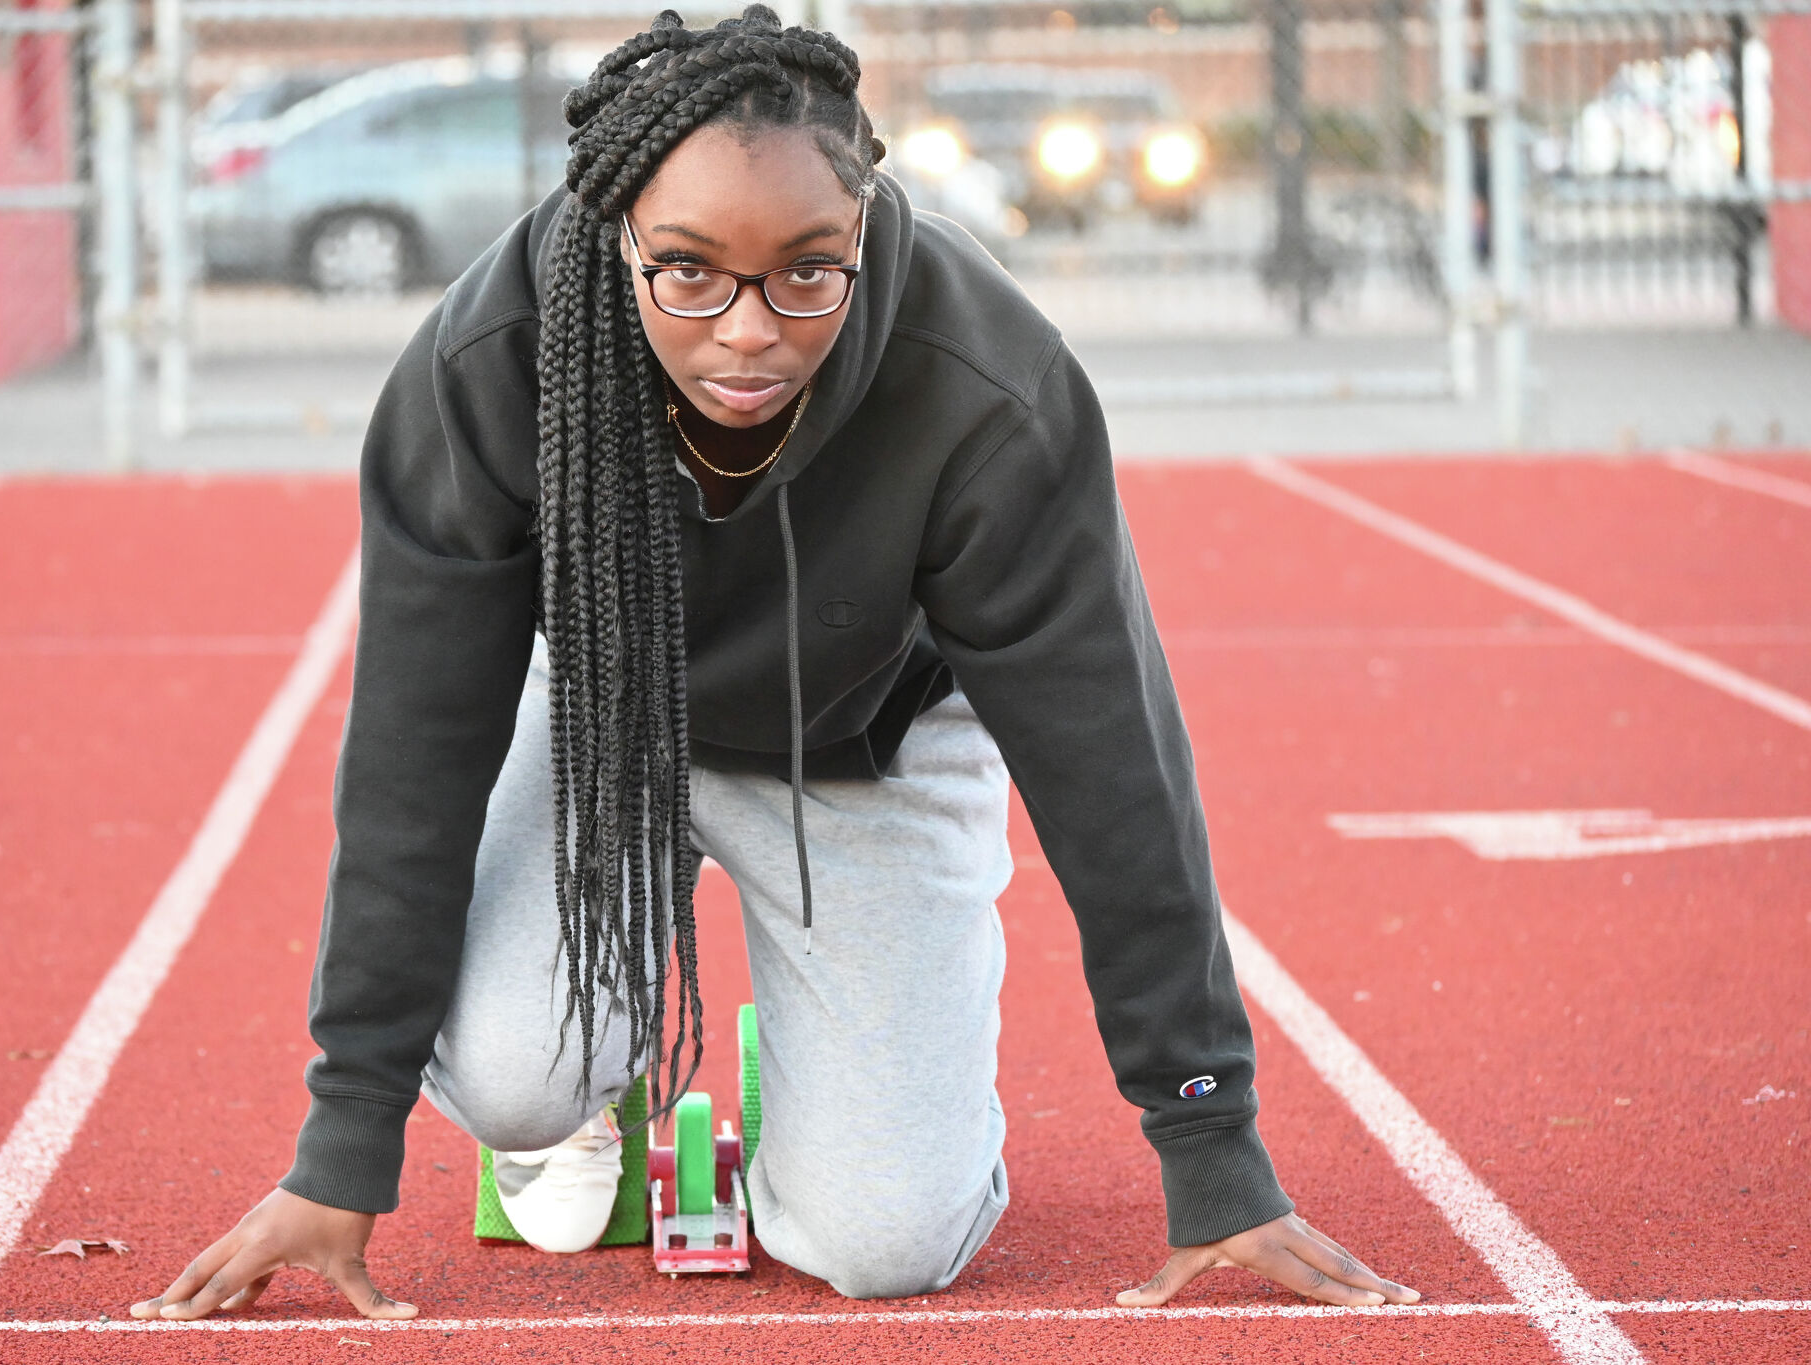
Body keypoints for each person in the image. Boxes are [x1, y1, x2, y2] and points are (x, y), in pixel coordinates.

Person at [133, 6, 1420, 1320]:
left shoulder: (988, 387)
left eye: (807, 271)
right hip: (610, 719)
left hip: (870, 738)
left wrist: (1211, 1147)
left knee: (886, 1247)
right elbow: (414, 753)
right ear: (622, 233)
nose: (747, 331)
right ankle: (592, 1089)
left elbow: (1112, 760)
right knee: (520, 1075)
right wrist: (344, 1142)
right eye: (689, 271)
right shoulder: (494, 363)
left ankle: (816, 1077)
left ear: (861, 229)